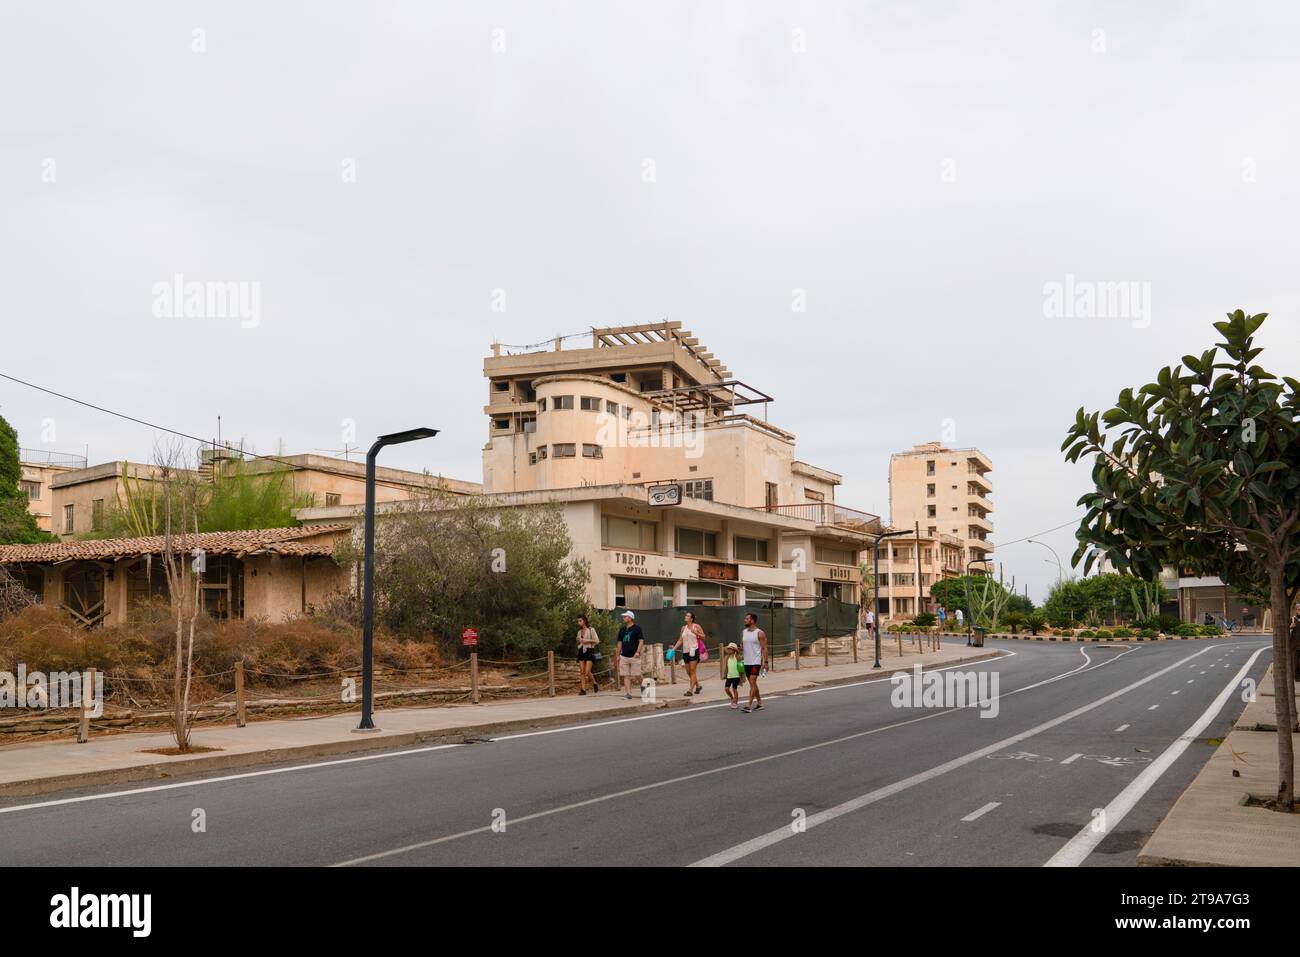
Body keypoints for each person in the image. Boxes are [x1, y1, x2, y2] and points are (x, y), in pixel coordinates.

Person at [671, 611, 707, 696]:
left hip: (694, 650)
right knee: (688, 672)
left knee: (692, 670)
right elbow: (680, 640)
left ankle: (690, 690)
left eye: (688, 616)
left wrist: (696, 633)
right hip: (685, 652)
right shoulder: (683, 628)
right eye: (686, 615)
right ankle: (698, 685)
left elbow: (704, 637)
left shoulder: (696, 626)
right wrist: (674, 649)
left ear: (691, 619)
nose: (686, 617)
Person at [740, 613, 768, 714]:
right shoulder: (744, 632)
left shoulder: (759, 633)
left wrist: (766, 662)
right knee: (753, 683)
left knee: (752, 681)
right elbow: (744, 645)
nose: (745, 620)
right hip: (746, 661)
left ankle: (748, 705)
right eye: (745, 618)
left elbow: (764, 648)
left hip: (756, 661)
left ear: (752, 621)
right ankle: (760, 703)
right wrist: (740, 649)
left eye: (747, 619)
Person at [616, 611, 644, 700]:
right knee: (626, 675)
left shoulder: (637, 628)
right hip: (624, 656)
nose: (623, 618)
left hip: (634, 656)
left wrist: (638, 652)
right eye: (623, 616)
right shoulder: (622, 630)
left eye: (625, 616)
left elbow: (641, 641)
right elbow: (619, 643)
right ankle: (628, 693)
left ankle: (645, 689)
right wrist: (618, 655)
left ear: (630, 618)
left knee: (637, 675)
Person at [575, 614, 600, 695]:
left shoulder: (591, 629)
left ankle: (594, 683)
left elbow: (597, 641)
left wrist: (587, 641)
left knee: (587, 671)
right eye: (578, 621)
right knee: (582, 671)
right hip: (581, 651)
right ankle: (583, 690)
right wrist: (578, 640)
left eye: (580, 621)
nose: (579, 622)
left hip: (589, 651)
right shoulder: (579, 632)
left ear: (584, 621)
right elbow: (579, 643)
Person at [723, 642, 743, 710]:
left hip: (736, 676)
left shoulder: (737, 657)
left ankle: (735, 702)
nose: (729, 650)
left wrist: (741, 677)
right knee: (726, 688)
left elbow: (741, 667)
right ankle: (732, 698)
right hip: (729, 676)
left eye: (730, 649)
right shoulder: (727, 658)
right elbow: (725, 667)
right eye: (728, 649)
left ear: (734, 650)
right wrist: (724, 674)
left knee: (734, 689)